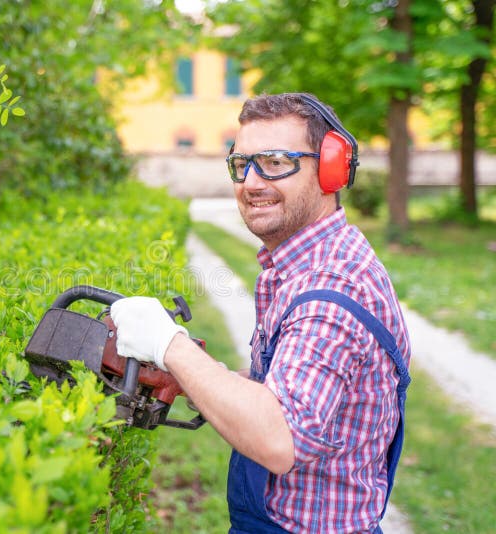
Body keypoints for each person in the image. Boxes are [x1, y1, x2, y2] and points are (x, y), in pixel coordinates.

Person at [110, 92, 411, 533]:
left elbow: (280, 435)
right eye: (241, 163)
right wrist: (198, 374)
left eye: (275, 162)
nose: (251, 182)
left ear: (331, 169)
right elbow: (286, 390)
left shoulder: (328, 291)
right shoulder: (304, 261)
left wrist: (169, 343)